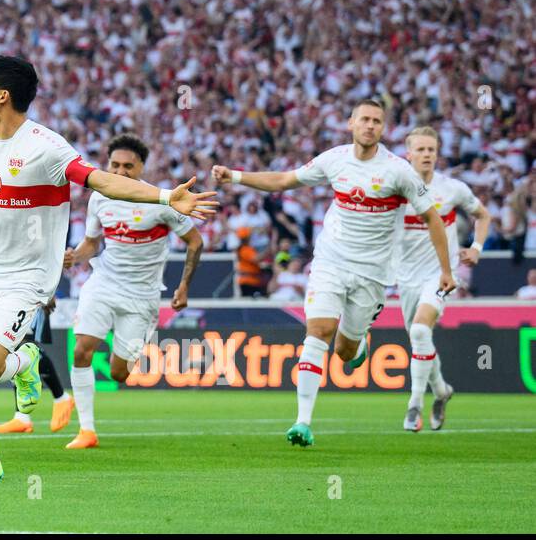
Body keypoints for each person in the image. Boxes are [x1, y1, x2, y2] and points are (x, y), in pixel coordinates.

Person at [0, 55, 217, 480]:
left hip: (23, 278)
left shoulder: (46, 147)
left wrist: (164, 197)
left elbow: (101, 180)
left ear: (2, 95)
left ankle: (26, 361)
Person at [212, 99, 454, 448]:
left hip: (372, 275)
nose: (370, 126)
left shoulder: (399, 171)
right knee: (318, 332)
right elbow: (283, 180)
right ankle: (302, 422)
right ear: (351, 123)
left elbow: (432, 218)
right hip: (330, 262)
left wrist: (446, 269)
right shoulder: (334, 159)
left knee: (343, 350)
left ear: (383, 129)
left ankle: (356, 347)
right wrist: (234, 175)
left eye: (376, 121)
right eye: (364, 119)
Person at [60, 134, 204, 450]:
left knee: (119, 372)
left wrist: (183, 286)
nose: (121, 172)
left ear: (141, 167)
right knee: (82, 349)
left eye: (128, 166)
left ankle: (109, 378)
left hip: (143, 296)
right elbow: (93, 244)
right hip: (104, 283)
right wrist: (74, 257)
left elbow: (195, 241)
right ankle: (87, 431)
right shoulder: (99, 198)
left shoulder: (160, 201)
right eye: (114, 165)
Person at [395, 126, 491, 432]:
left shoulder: (452, 189)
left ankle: (414, 406)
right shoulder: (395, 191)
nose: (426, 155)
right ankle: (441, 391)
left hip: (441, 275)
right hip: (405, 277)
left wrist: (476, 248)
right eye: (420, 150)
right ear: (408, 154)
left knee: (421, 330)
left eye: (431, 150)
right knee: (419, 338)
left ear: (437, 153)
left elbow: (483, 215)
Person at [0, 300, 74, 435]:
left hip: (33, 292)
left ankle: (61, 398)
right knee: (13, 347)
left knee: (26, 345)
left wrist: (49, 292)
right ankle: (22, 417)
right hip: (11, 294)